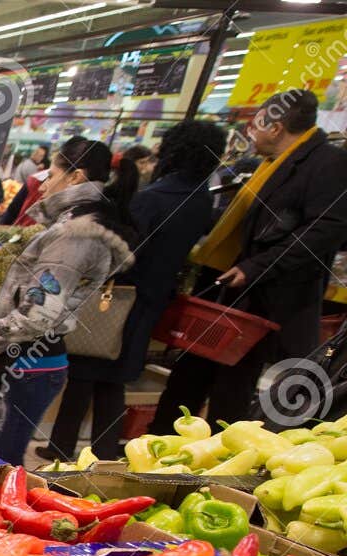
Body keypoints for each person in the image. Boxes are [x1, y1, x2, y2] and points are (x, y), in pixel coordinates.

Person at [153, 90, 347, 427]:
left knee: (233, 384)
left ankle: (218, 456)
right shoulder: (270, 164)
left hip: (272, 296)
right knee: (193, 371)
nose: (249, 134)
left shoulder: (327, 163)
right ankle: (164, 438)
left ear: (276, 127)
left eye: (255, 125)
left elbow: (326, 229)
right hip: (234, 291)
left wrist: (257, 266)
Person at [0, 137, 137, 465]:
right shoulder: (73, 225)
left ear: (76, 177)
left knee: (1, 465)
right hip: (15, 357)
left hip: (28, 363)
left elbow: (38, 315)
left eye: (51, 174)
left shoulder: (75, 233)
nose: (43, 183)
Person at [44, 122, 225, 461]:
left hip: (116, 298)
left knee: (84, 373)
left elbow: (121, 251)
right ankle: (103, 453)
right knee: (114, 379)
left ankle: (61, 450)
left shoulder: (154, 198)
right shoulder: (201, 200)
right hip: (152, 298)